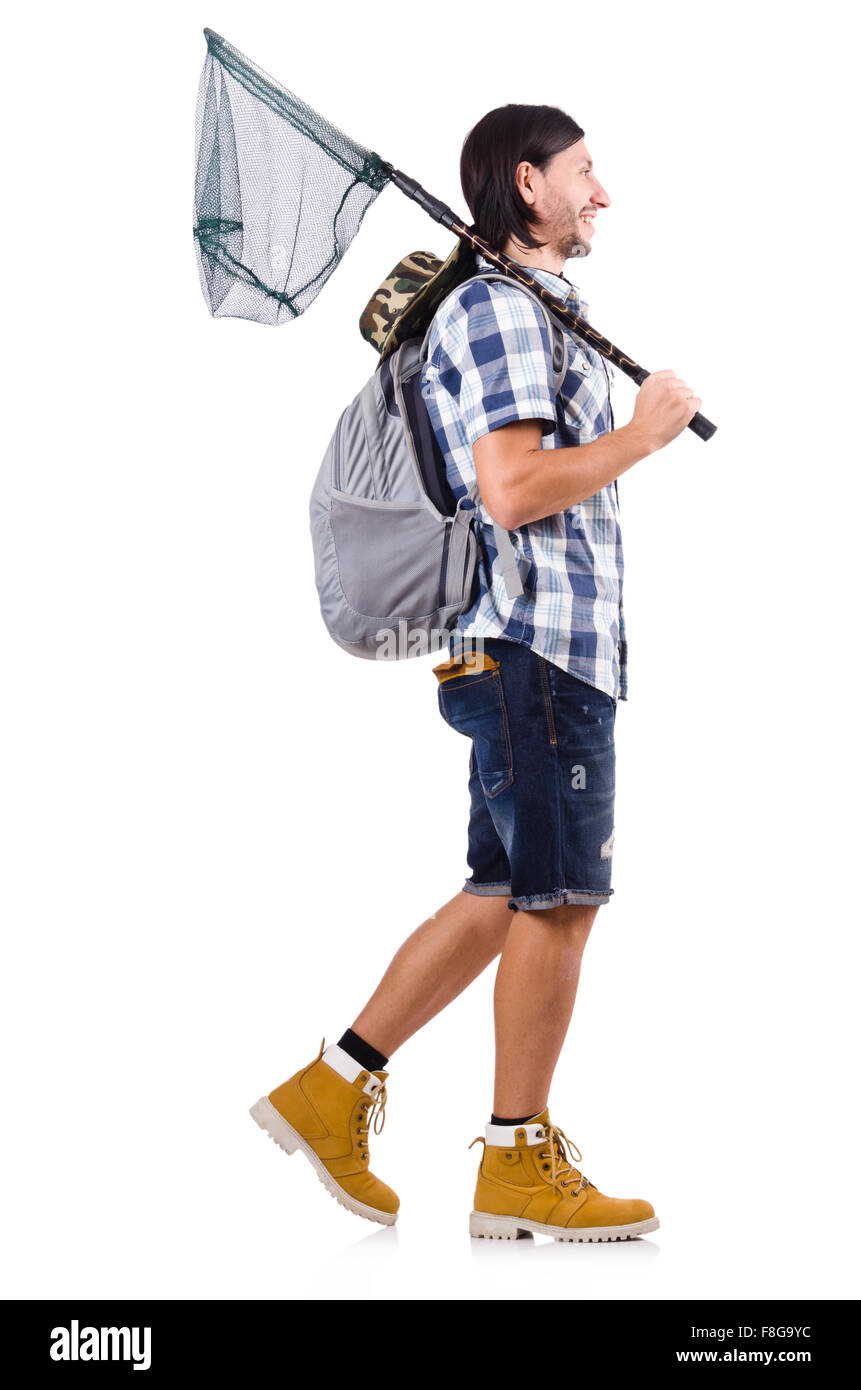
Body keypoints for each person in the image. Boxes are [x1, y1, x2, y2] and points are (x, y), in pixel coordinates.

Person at [250, 104, 701, 1241]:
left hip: (531, 654)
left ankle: (330, 1088)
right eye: (586, 171)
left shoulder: (529, 309)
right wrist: (644, 435)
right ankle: (513, 1163)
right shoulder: (500, 313)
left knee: (505, 891)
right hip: (537, 654)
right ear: (528, 183)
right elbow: (510, 490)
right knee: (560, 902)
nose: (603, 193)